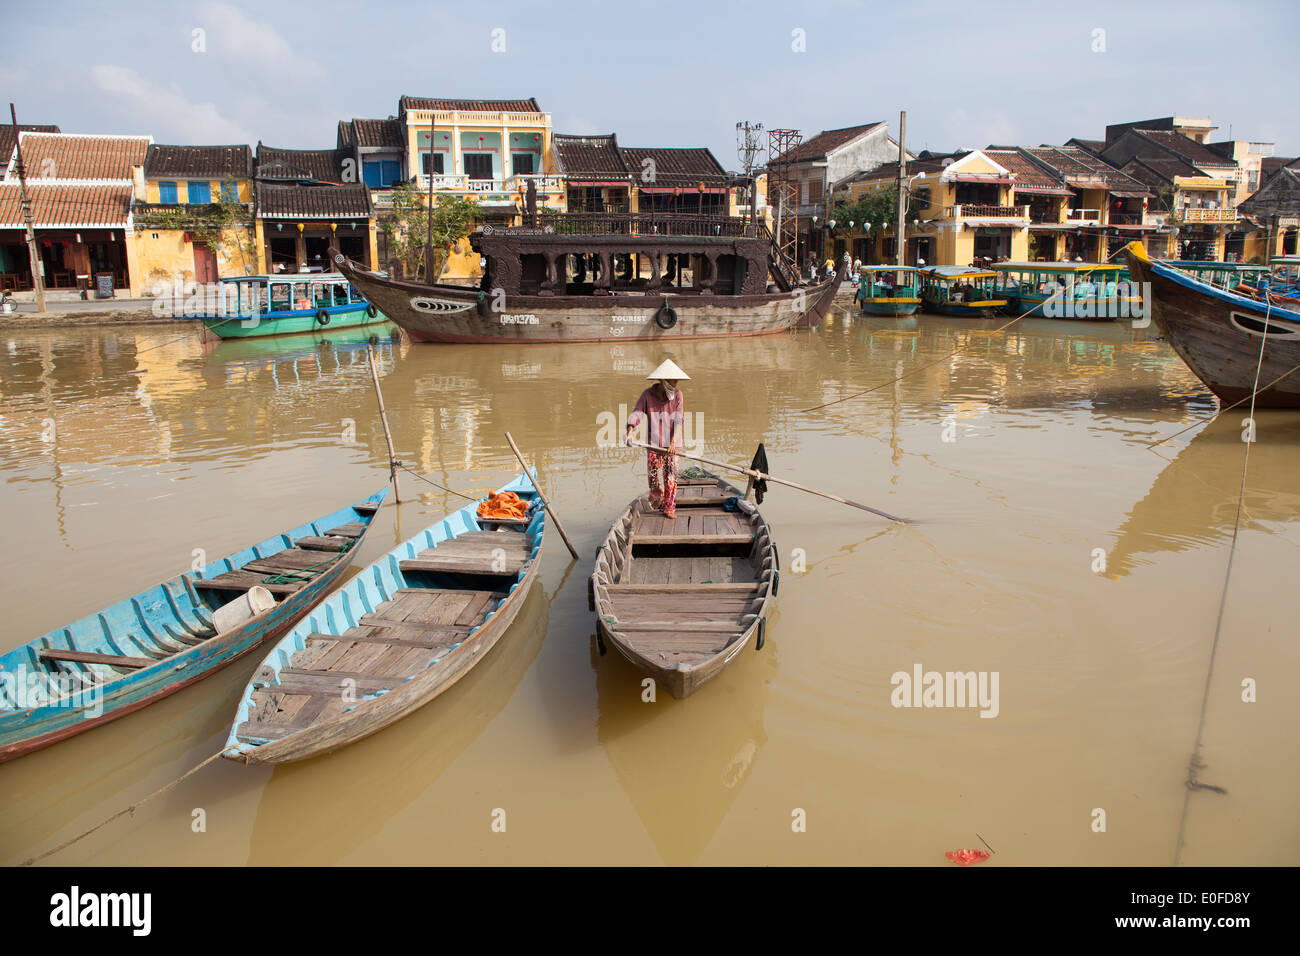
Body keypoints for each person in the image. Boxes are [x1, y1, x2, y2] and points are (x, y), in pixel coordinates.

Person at [625, 360, 688, 519]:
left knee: (670, 477)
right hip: (653, 445)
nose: (675, 384)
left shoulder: (678, 395)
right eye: (672, 380)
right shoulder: (647, 395)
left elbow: (679, 420)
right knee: (653, 478)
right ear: (663, 380)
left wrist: (673, 442)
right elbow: (637, 412)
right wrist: (629, 431)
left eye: (676, 380)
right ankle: (659, 500)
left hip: (672, 446)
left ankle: (669, 507)